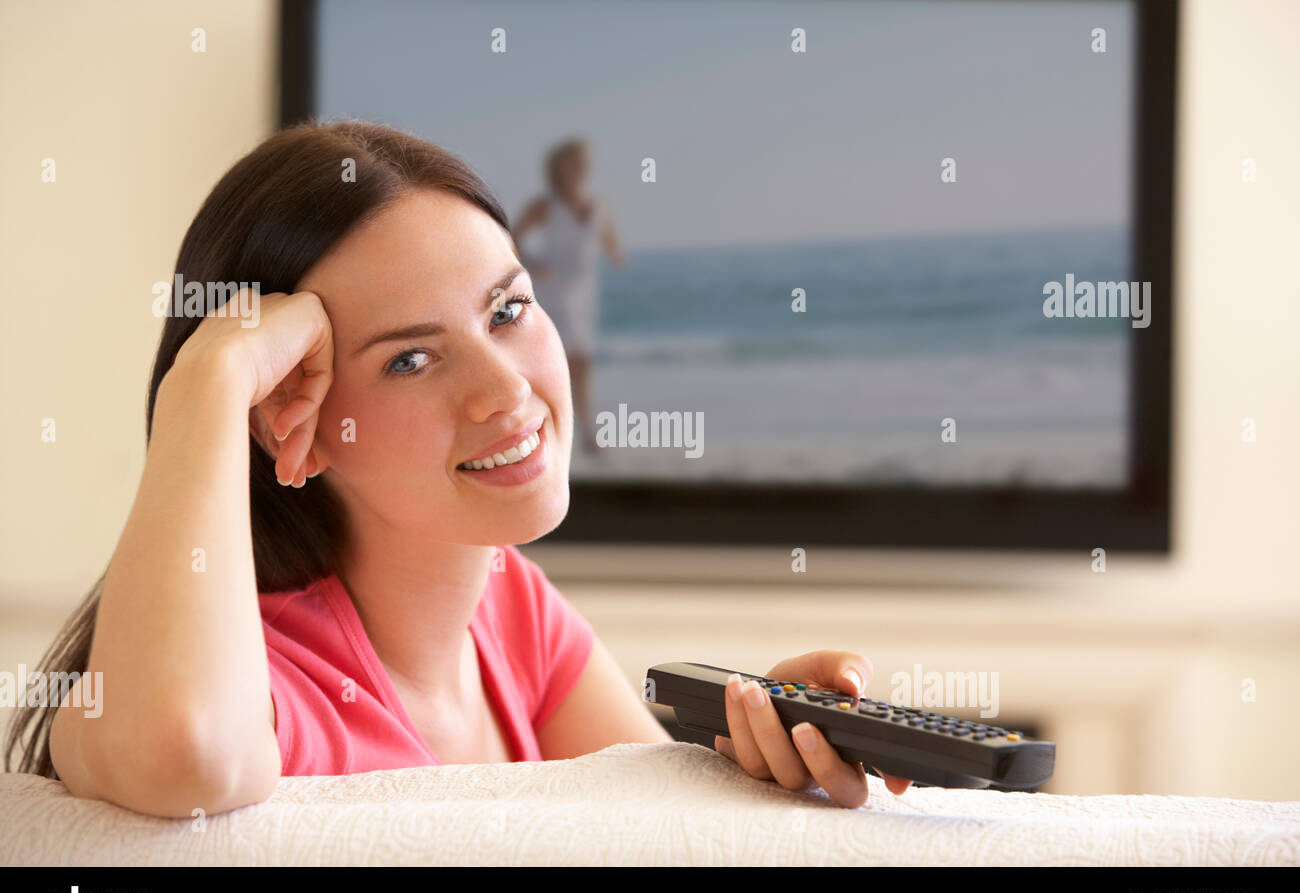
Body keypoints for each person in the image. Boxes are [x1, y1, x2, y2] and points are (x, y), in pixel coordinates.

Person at [4, 121, 910, 815]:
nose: (504, 389)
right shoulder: (259, 687)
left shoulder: (512, 612)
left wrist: (752, 767)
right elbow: (184, 752)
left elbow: (650, 827)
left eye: (508, 310)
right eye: (410, 359)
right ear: (293, 421)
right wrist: (208, 380)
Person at [513, 137, 623, 454]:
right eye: (573, 161)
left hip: (585, 295)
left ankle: (580, 431)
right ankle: (564, 433)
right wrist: (533, 263)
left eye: (582, 161)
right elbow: (512, 236)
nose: (579, 167)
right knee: (557, 364)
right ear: (559, 166)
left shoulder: (598, 207)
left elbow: (610, 244)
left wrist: (616, 255)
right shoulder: (545, 205)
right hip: (553, 293)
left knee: (584, 365)